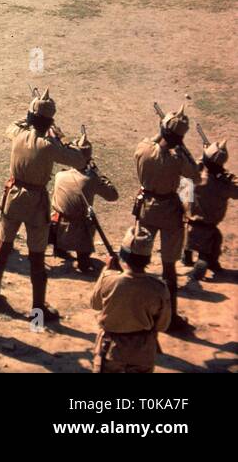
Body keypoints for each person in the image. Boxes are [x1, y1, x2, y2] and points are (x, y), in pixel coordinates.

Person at [0, 88, 87, 320]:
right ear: (49, 120)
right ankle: (38, 308)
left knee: (3, 246)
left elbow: (12, 125)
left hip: (13, 196)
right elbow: (79, 160)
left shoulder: (18, 135)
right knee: (37, 256)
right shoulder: (50, 145)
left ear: (30, 118)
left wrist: (30, 116)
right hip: (36, 202)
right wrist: (59, 135)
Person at [133, 105, 200, 335]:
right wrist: (181, 146)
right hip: (170, 211)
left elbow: (152, 144)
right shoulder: (178, 159)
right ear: (180, 138)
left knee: (138, 260)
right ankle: (169, 319)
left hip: (147, 207)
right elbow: (196, 177)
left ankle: (137, 314)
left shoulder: (143, 148)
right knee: (169, 267)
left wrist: (161, 130)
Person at [89, 227, 171, 373]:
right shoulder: (159, 287)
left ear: (122, 255)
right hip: (142, 351)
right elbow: (162, 325)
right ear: (147, 259)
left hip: (111, 350)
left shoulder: (109, 280)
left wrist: (106, 271)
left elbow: (94, 304)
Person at [51, 132, 119, 273]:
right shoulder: (91, 179)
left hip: (57, 228)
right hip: (78, 231)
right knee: (87, 219)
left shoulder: (60, 175)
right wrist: (98, 173)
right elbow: (113, 195)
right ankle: (83, 259)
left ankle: (59, 249)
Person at [183, 136, 236, 277]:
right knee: (209, 249)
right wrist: (225, 174)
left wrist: (205, 155)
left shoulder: (196, 176)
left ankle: (187, 256)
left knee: (193, 241)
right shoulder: (224, 185)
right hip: (208, 226)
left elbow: (197, 164)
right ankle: (203, 265)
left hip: (190, 223)